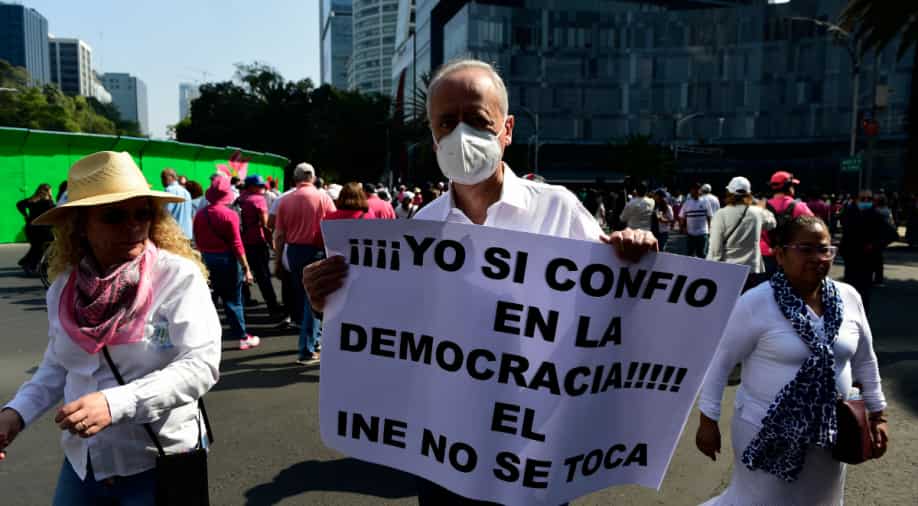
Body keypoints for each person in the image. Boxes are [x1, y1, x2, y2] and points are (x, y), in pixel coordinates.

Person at [301, 58, 657, 505]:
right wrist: (330, 300)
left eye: (476, 120)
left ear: (506, 130)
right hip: (445, 450)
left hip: (533, 446)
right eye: (446, 123)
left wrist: (634, 259)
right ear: (432, 137)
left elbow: (611, 307)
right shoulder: (422, 226)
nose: (460, 135)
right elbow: (396, 327)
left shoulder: (558, 209)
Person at [0, 151, 220, 504]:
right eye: (114, 215)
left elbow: (200, 366)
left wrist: (115, 403)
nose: (133, 225)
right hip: (85, 463)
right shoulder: (64, 287)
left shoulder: (176, 277)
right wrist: (15, 413)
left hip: (156, 462)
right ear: (80, 225)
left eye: (143, 213)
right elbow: (57, 365)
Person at [696, 215, 888, 505]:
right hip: (763, 429)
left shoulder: (848, 297)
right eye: (806, 249)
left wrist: (878, 415)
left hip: (829, 431)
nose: (818, 258)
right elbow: (720, 363)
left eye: (824, 249)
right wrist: (707, 421)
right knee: (760, 500)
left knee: (822, 499)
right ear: (781, 254)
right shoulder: (755, 303)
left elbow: (865, 361)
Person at [274, 163, 336, 364]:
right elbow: (333, 226)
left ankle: (312, 341)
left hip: (293, 251)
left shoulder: (284, 200)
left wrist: (277, 260)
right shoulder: (323, 197)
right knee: (314, 299)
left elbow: (280, 234)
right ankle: (308, 348)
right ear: (313, 177)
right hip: (316, 249)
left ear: (295, 178)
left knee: (305, 298)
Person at [193, 175, 260, 350]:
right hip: (228, 261)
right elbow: (237, 244)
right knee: (233, 301)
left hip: (207, 260)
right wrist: (246, 268)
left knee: (209, 301)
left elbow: (197, 241)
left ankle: (207, 337)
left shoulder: (200, 215)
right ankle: (242, 337)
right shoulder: (230, 215)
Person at [707, 177, 777, 291]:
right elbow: (772, 224)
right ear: (749, 194)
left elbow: (715, 247)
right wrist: (760, 206)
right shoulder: (757, 212)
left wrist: (712, 269)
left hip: (729, 268)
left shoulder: (720, 214)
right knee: (751, 302)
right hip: (753, 268)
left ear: (729, 193)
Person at [839, 190, 898, 313]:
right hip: (851, 258)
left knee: (863, 294)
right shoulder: (849, 213)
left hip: (867, 260)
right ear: (856, 200)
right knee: (848, 292)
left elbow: (892, 234)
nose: (865, 201)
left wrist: (875, 245)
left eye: (869, 199)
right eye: (863, 199)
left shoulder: (876, 215)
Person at [238, 175, 281, 316]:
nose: (262, 188)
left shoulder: (240, 199)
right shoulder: (258, 200)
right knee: (264, 277)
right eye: (259, 185)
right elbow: (265, 225)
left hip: (243, 242)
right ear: (251, 186)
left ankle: (244, 302)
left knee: (244, 273)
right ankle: (273, 306)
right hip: (257, 242)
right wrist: (272, 243)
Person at [760, 171, 813, 275]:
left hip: (768, 259)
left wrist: (769, 250)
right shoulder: (800, 207)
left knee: (768, 289)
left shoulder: (761, 208)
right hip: (793, 257)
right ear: (789, 187)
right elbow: (812, 231)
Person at [16, 183, 55, 275]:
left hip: (31, 227)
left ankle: (27, 262)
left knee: (36, 247)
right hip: (42, 228)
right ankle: (30, 265)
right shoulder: (48, 202)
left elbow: (19, 204)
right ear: (47, 191)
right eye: (50, 190)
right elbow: (53, 210)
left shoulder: (32, 200)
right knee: (42, 247)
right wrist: (51, 197)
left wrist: (26, 215)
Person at [680, 182, 714, 258]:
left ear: (700, 191)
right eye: (693, 189)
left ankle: (703, 270)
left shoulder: (705, 202)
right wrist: (683, 227)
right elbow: (682, 216)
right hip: (690, 234)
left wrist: (710, 229)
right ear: (690, 191)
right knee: (690, 254)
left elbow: (709, 216)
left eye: (697, 189)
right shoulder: (687, 203)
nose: (695, 191)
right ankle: (690, 269)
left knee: (701, 254)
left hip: (702, 233)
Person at [160, 168, 193, 239]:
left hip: (175, 235)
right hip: (188, 233)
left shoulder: (169, 190)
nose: (162, 181)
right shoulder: (186, 192)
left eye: (163, 177)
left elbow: (165, 214)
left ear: (171, 177)